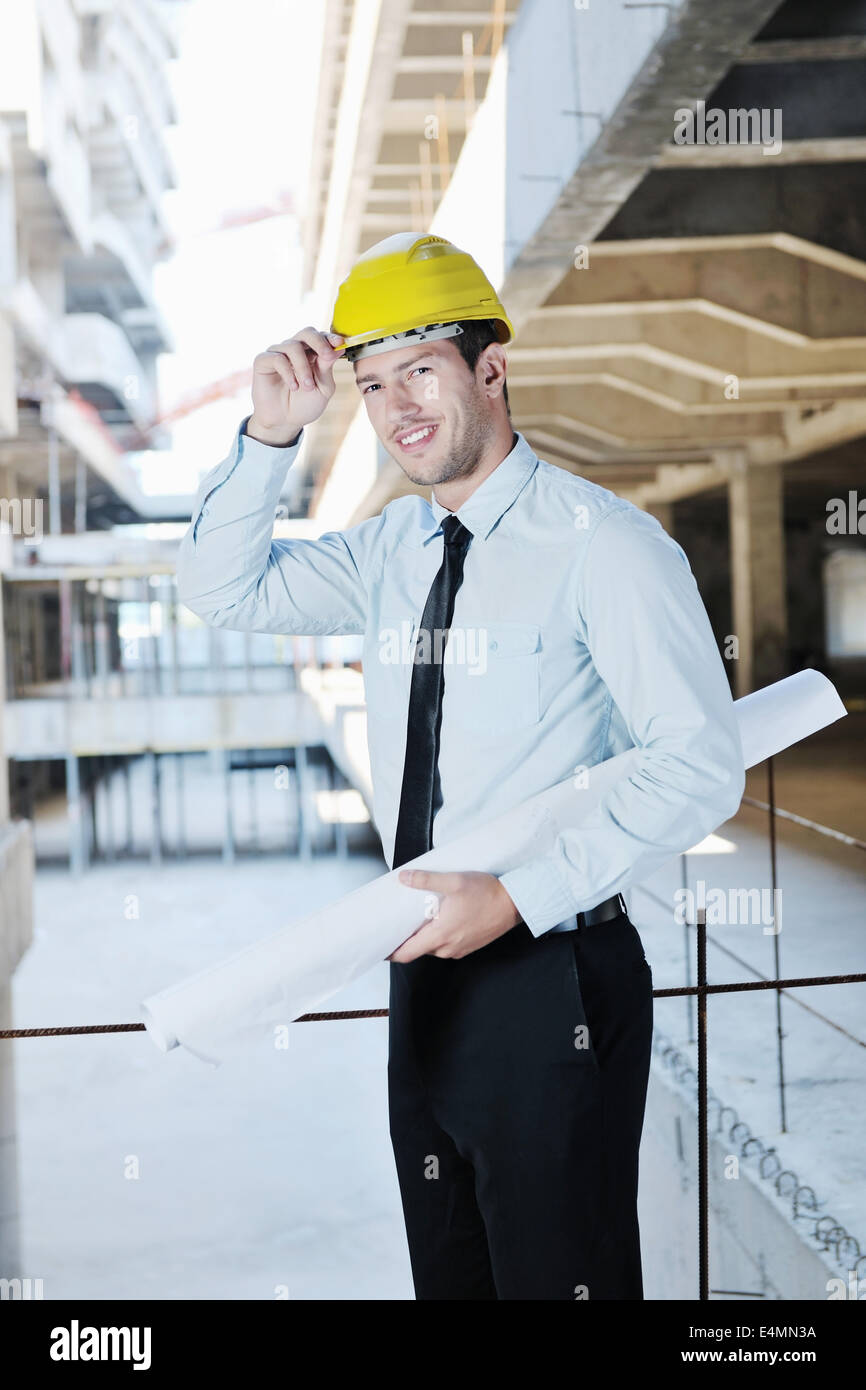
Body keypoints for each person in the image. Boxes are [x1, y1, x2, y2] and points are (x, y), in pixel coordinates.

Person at [176, 231, 745, 1300]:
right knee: (452, 1278)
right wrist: (266, 436)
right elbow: (222, 591)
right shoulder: (390, 551)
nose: (398, 409)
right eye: (373, 383)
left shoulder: (603, 546)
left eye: (421, 370)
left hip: (554, 976)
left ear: (490, 367)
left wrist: (516, 897)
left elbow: (698, 764)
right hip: (423, 976)